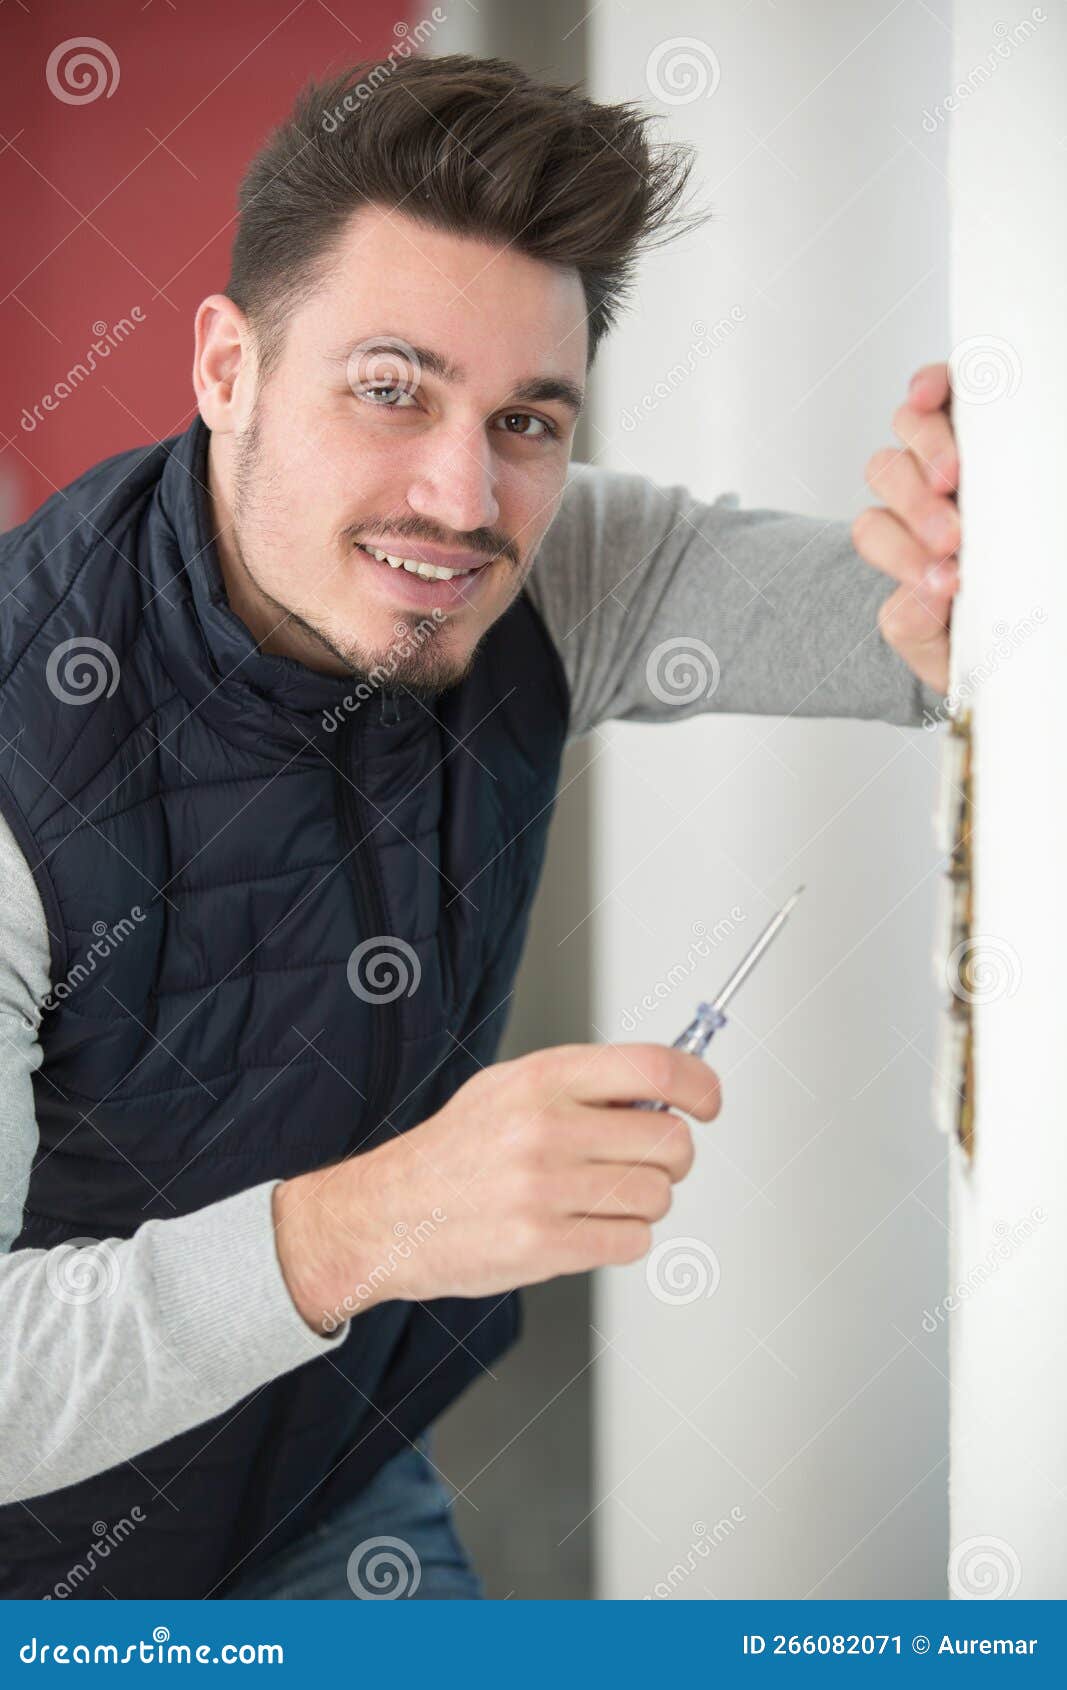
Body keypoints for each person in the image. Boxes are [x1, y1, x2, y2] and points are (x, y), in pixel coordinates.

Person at [0, 53, 960, 1599]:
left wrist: (981, 528)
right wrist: (369, 1226)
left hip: (327, 1484)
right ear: (227, 367)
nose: (463, 498)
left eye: (527, 420)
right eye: (391, 390)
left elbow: (922, 629)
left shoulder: (551, 574)